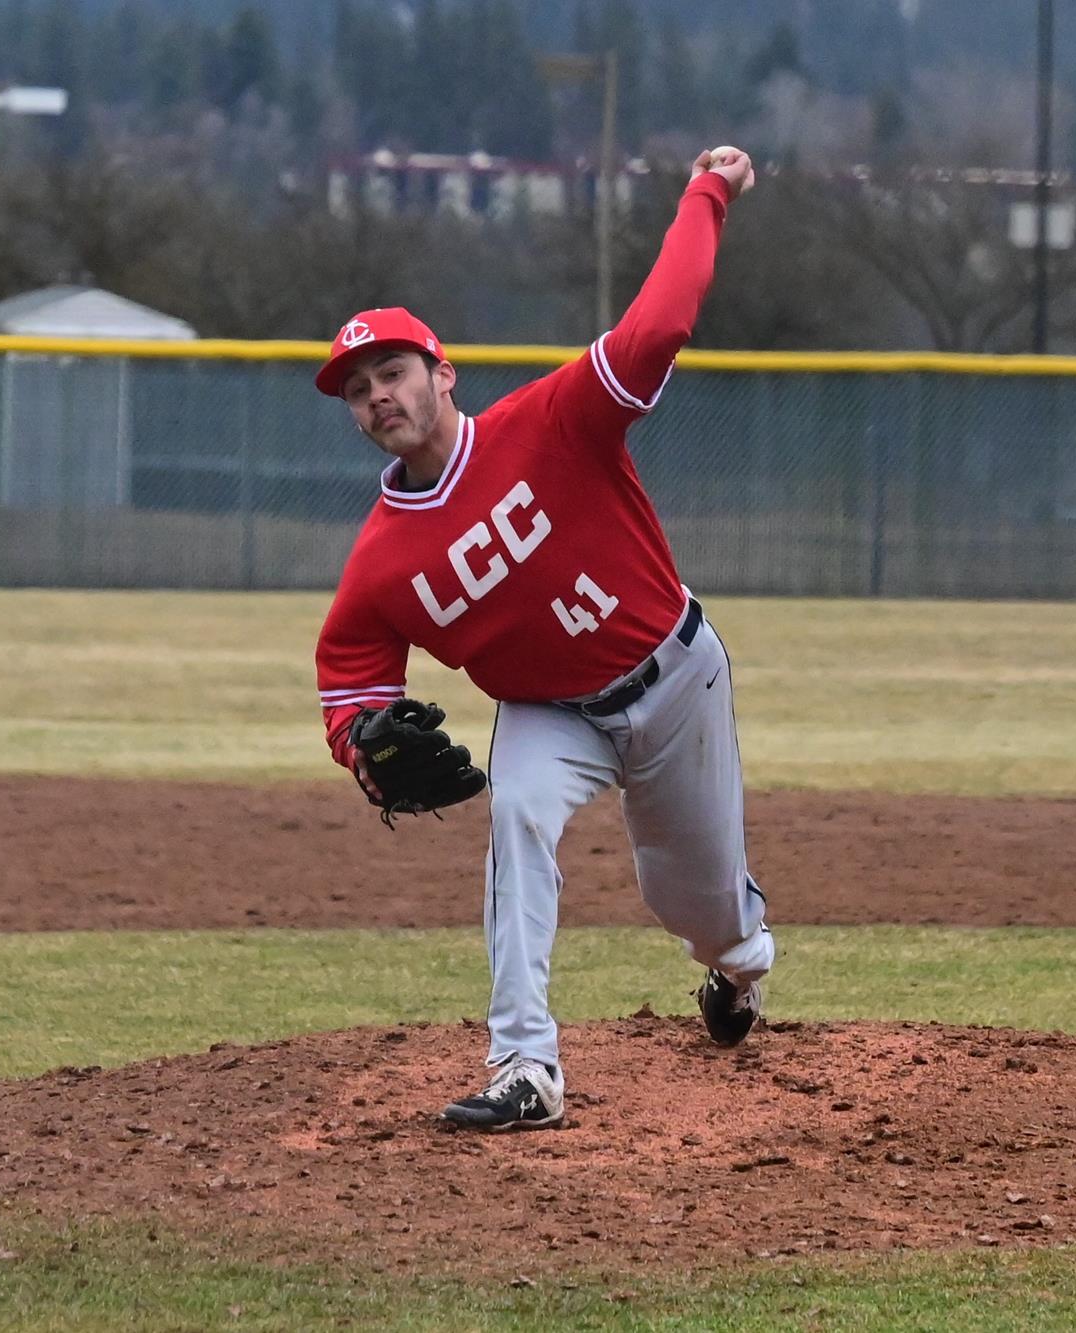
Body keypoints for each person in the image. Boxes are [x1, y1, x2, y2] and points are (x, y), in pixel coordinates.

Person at [312, 145, 776, 1132]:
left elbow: (658, 325)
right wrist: (361, 746)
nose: (377, 396)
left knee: (694, 909)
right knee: (515, 816)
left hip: (673, 676)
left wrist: (706, 193)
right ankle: (525, 1065)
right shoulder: (381, 562)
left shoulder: (553, 421)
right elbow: (346, 679)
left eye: (391, 372)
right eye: (357, 391)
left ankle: (739, 968)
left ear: (442, 373)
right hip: (545, 713)